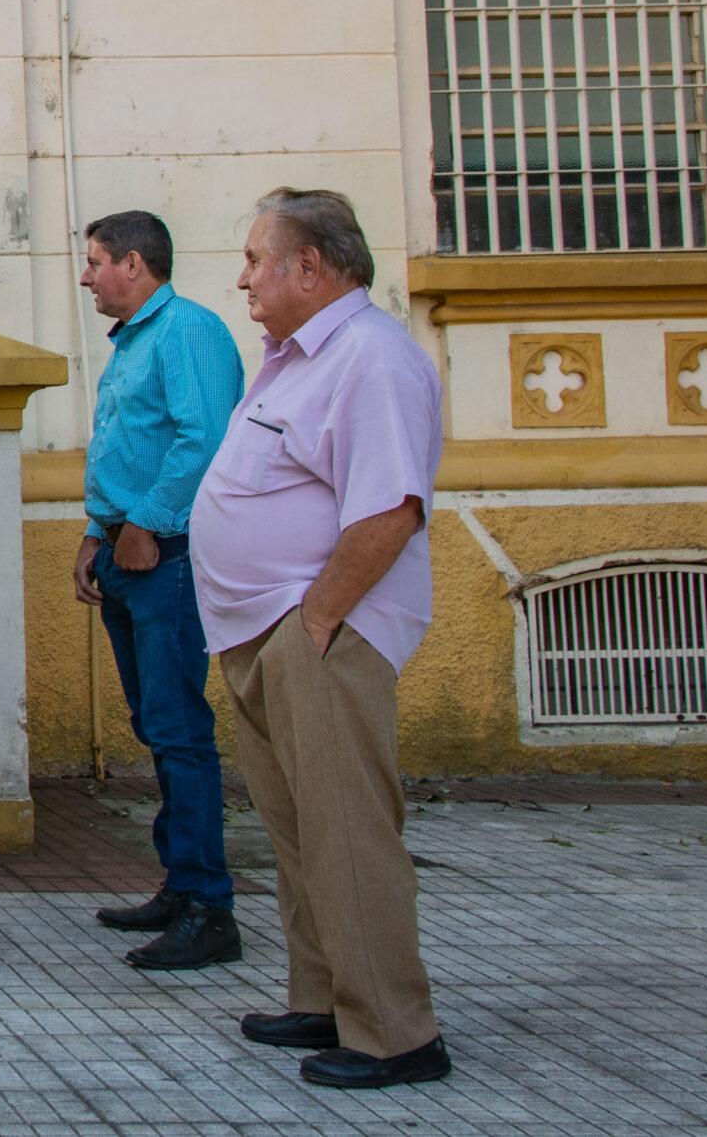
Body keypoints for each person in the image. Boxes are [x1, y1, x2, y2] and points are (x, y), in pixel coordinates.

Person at [192, 188, 450, 1090]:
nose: (244, 278)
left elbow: (389, 510)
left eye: (257, 260)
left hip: (320, 631)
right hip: (267, 630)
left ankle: (395, 1031)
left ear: (310, 267)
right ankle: (325, 995)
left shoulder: (371, 358)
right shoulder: (296, 358)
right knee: (300, 829)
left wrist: (315, 621)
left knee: (348, 831)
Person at [71, 209, 246, 971]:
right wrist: (95, 529)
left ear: (134, 264)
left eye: (95, 261)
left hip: (165, 553)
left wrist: (144, 521)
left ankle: (210, 905)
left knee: (178, 726)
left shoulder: (188, 331)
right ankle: (181, 883)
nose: (86, 276)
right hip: (124, 548)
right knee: (155, 721)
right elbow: (128, 443)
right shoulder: (134, 340)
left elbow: (203, 439)